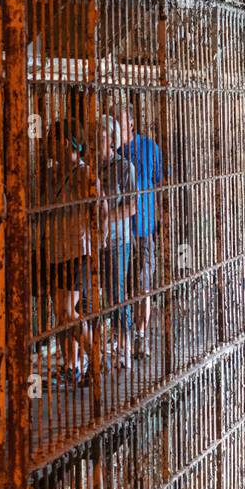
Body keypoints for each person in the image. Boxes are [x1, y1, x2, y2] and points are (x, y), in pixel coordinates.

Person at [42, 119, 102, 384]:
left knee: (67, 312)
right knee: (61, 313)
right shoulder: (54, 174)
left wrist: (94, 247)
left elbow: (101, 212)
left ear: (64, 142)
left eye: (51, 140)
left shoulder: (84, 174)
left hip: (77, 249)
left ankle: (95, 359)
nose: (47, 146)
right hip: (56, 250)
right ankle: (78, 364)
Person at [117, 107, 163, 358]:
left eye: (119, 121)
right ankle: (122, 339)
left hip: (144, 226)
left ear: (132, 124)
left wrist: (156, 218)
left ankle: (141, 336)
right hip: (119, 230)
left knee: (143, 284)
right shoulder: (111, 153)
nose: (115, 126)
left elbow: (158, 183)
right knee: (120, 287)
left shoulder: (149, 147)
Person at [99, 115, 137, 368]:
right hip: (95, 243)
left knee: (117, 295)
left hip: (117, 240)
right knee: (98, 296)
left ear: (111, 140)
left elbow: (132, 206)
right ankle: (104, 346)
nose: (93, 140)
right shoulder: (91, 169)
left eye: (99, 135)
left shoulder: (125, 168)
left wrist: (104, 218)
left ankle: (126, 345)